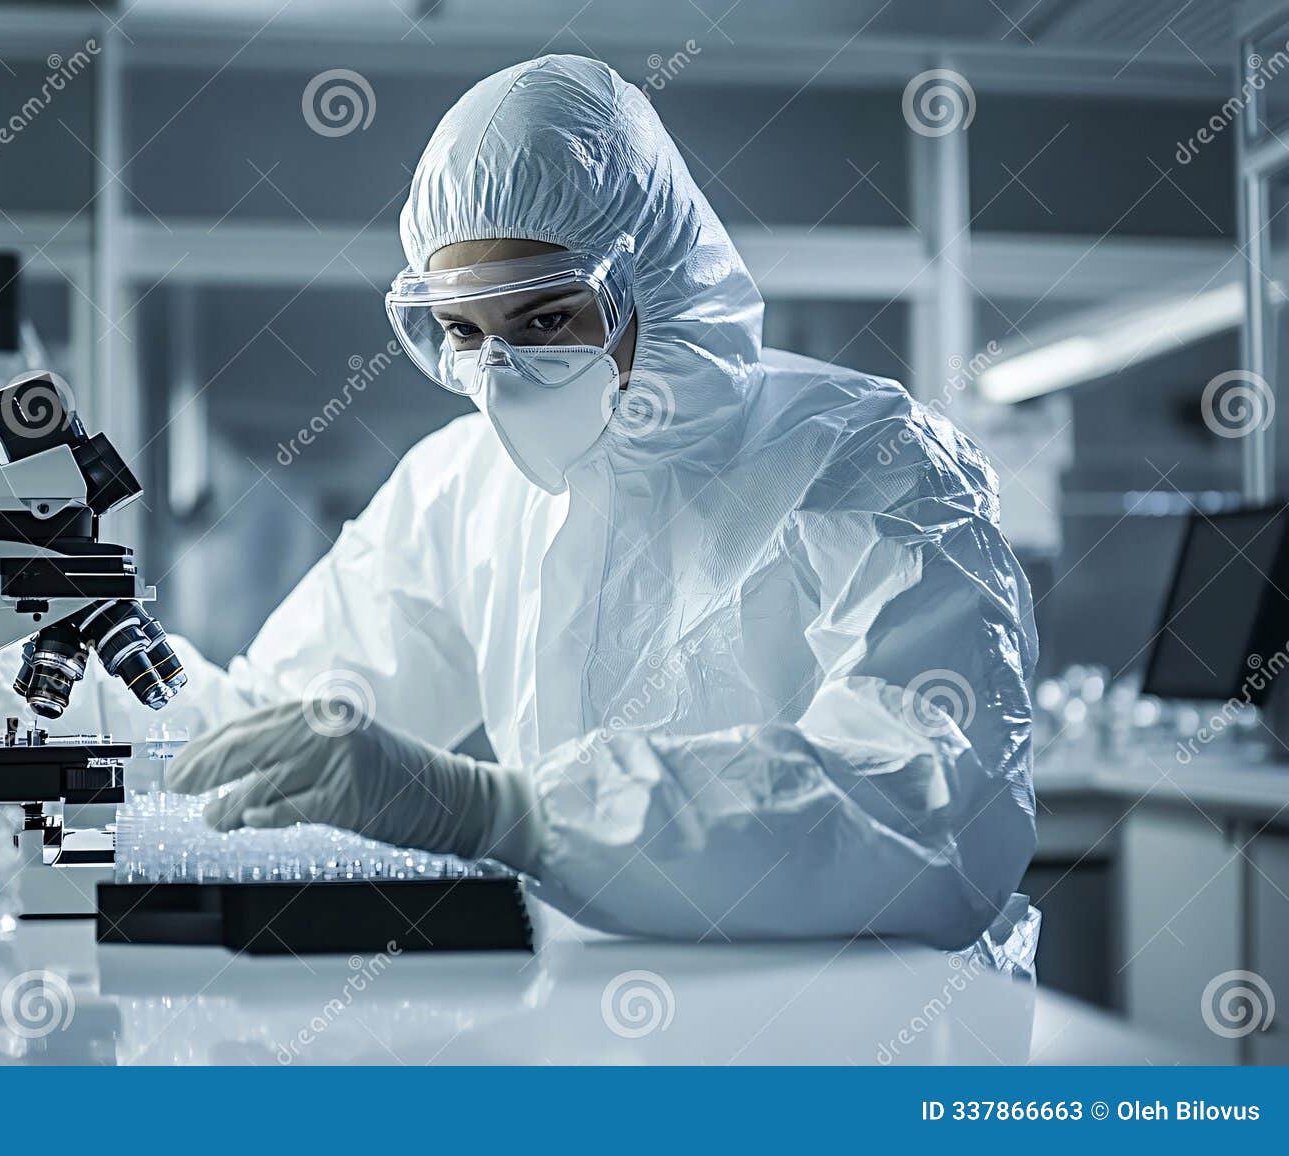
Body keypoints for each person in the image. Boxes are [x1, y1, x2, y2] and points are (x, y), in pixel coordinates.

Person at [93, 55, 1039, 949]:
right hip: (588, 1029)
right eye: (463, 331)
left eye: (543, 319)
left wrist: (507, 814)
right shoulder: (456, 485)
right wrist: (74, 679)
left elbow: (929, 807)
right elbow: (275, 733)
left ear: (652, 277)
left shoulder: (868, 460)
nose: (499, 376)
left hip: (859, 1057)